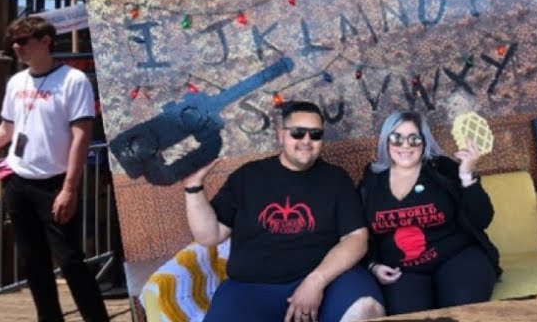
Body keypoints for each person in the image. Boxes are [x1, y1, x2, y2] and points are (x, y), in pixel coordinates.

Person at [0, 16, 109, 322]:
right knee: (33, 262)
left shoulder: (73, 81)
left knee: (70, 261)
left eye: (24, 41)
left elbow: (81, 135)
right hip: (18, 180)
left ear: (45, 41)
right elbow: (5, 130)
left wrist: (69, 188)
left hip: (54, 183)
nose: (17, 47)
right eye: (14, 42)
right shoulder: (16, 82)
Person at [180, 101, 384, 322]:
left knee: (366, 310)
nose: (306, 141)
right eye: (298, 133)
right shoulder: (247, 176)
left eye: (315, 135)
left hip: (329, 280)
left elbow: (356, 238)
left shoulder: (336, 179)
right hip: (252, 288)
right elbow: (209, 236)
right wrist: (193, 186)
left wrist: (316, 281)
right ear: (280, 134)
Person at [357, 111, 500, 315]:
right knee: (409, 314)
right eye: (396, 138)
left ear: (424, 143)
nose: (405, 145)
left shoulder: (442, 169)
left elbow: (482, 219)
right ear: (386, 142)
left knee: (461, 308)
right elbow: (358, 232)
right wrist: (373, 265)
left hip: (457, 257)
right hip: (403, 271)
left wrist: (467, 175)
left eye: (414, 138)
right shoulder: (371, 182)